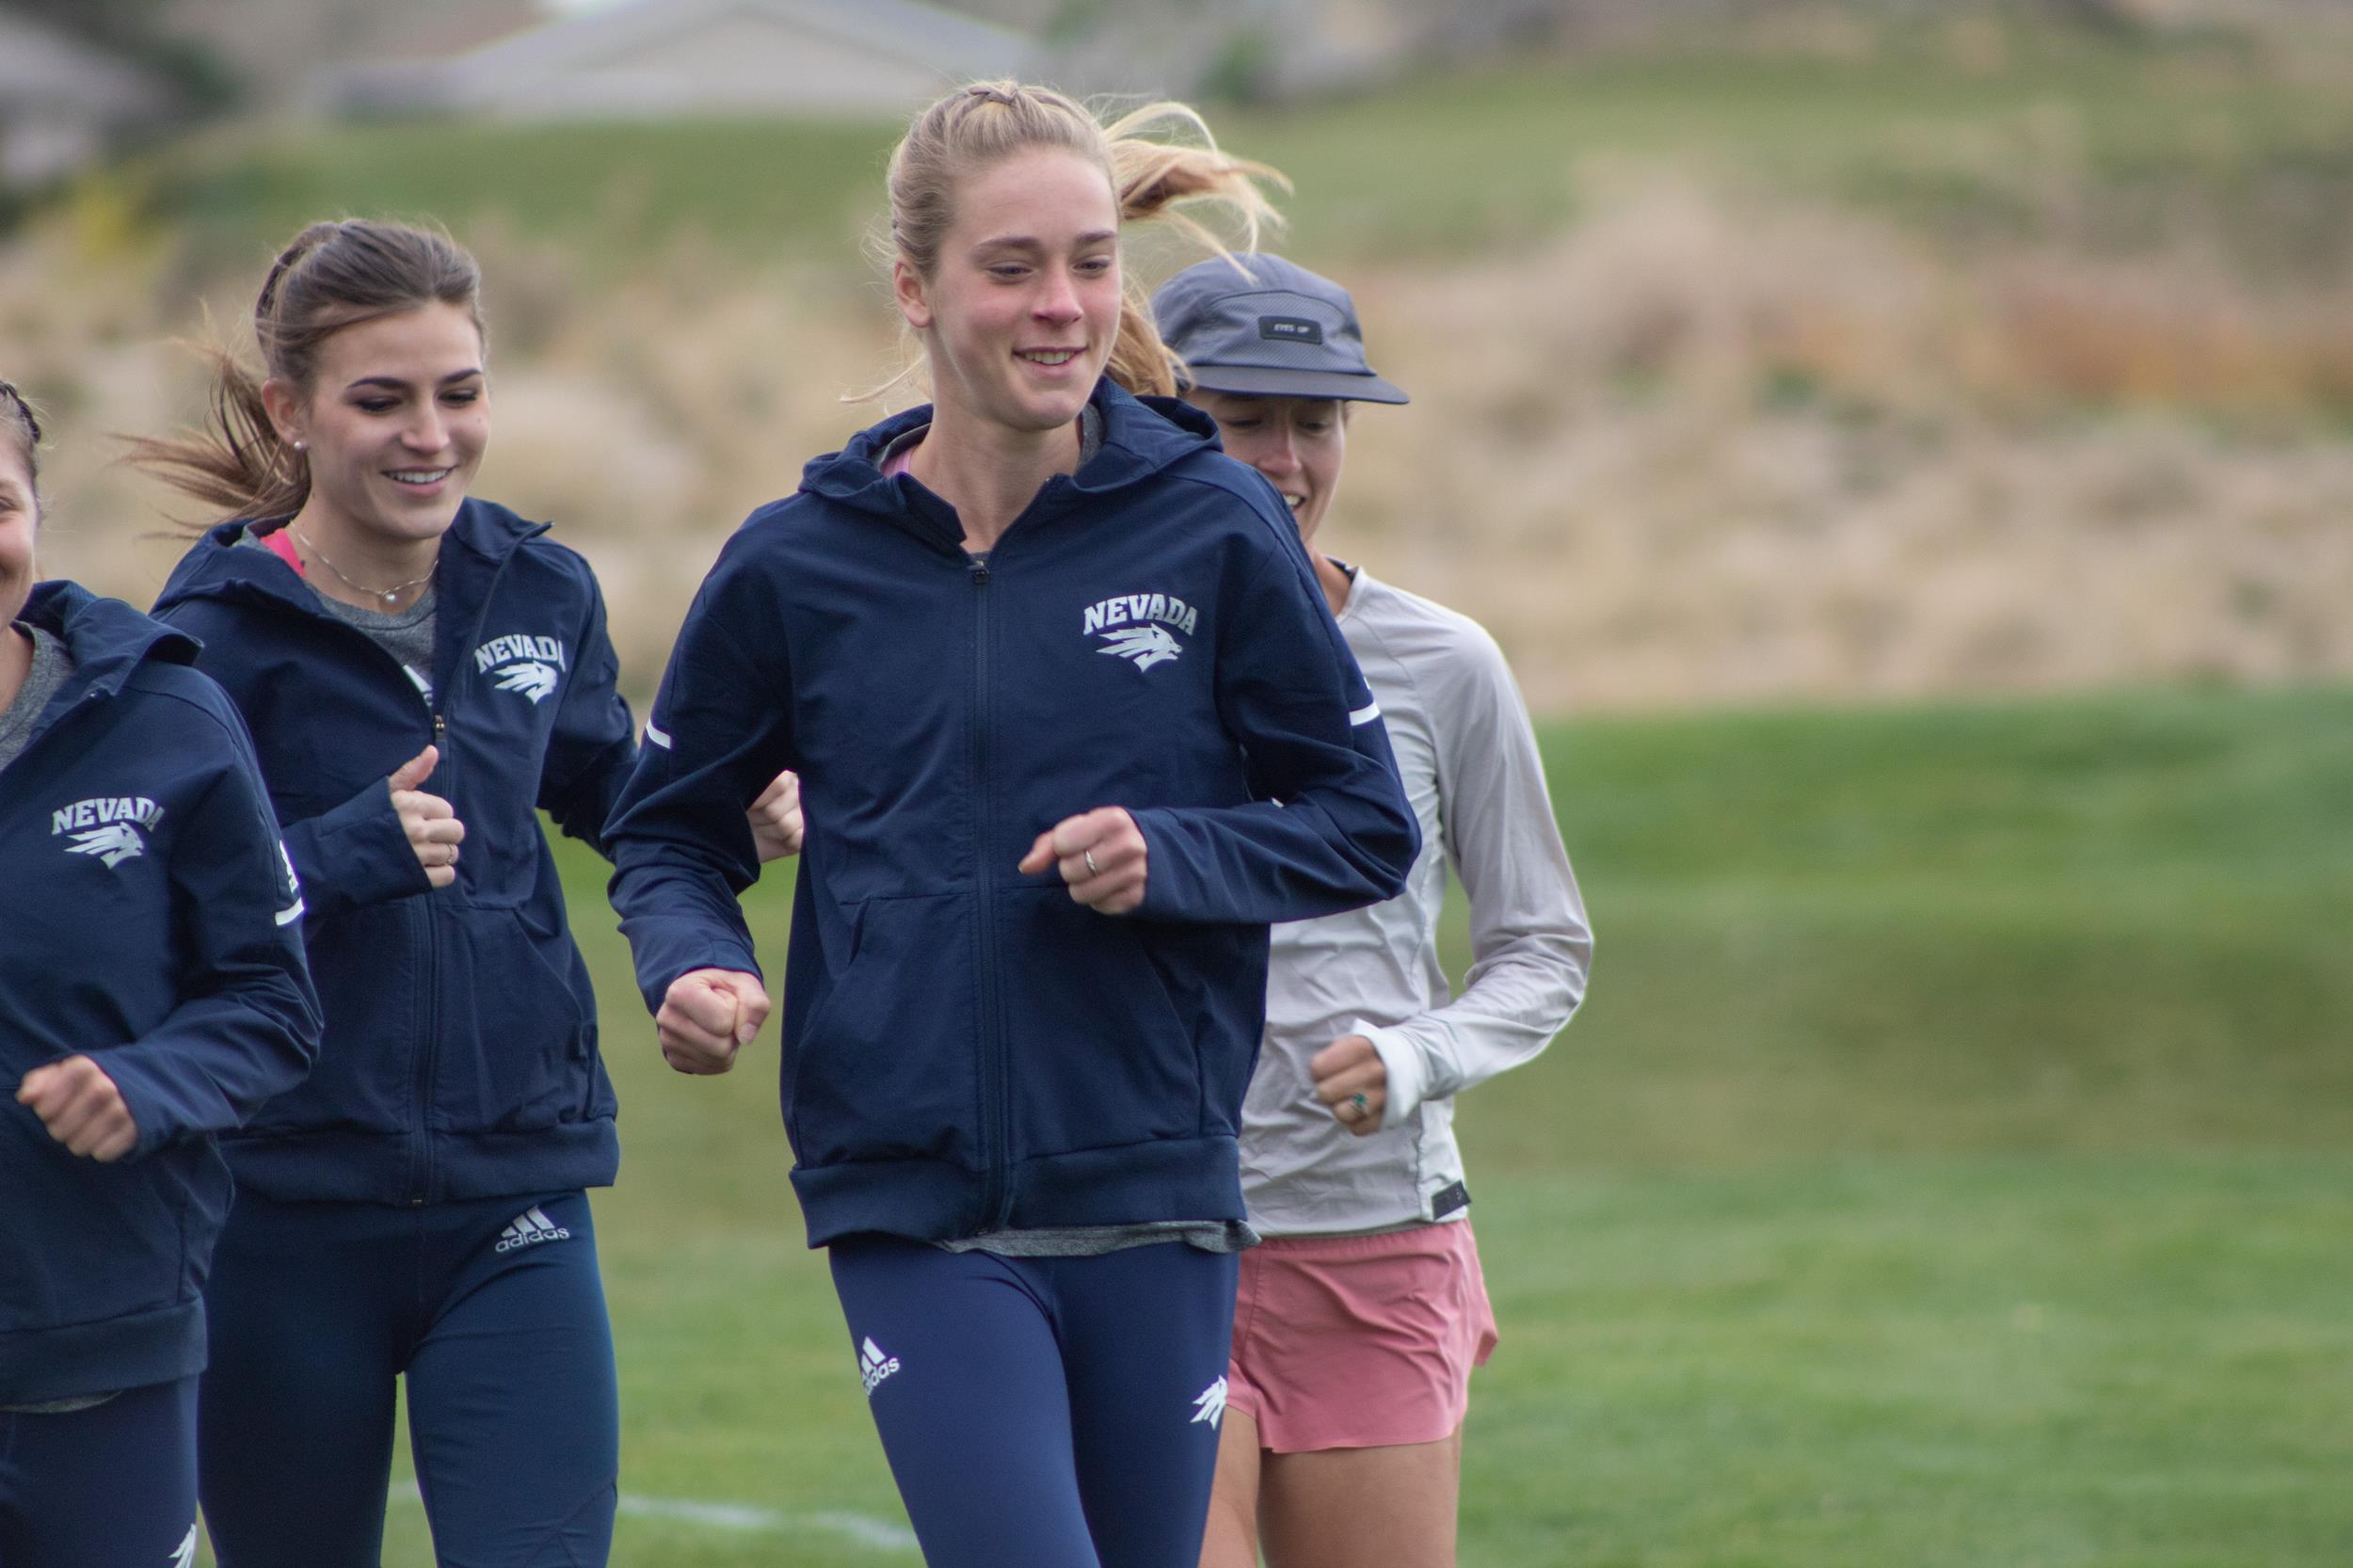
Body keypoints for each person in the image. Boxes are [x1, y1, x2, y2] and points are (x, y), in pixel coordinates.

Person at [603, 81, 1419, 1568]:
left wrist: (1176, 856)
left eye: (1093, 263)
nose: (1063, 305)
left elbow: (1365, 824)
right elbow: (670, 829)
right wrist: (690, 958)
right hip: (913, 1203)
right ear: (915, 288)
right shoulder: (798, 564)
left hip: (1158, 1186)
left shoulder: (1213, 524)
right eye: (1014, 267)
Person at [133, 219, 800, 1568]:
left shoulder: (538, 588)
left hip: (517, 1190)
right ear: (293, 410)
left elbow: (613, 793)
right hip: (280, 1214)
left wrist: (716, 831)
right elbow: (152, 917)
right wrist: (340, 853)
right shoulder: (206, 642)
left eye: (460, 392)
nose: (430, 434)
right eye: (383, 399)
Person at [1152, 254, 1593, 1568]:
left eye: (1318, 422)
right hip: (1151, 1230)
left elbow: (1543, 947)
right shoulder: (1100, 652)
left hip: (1371, 1236)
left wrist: (1417, 1056)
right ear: (1163, 418)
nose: (1286, 460)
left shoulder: (1443, 663)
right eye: (1243, 419)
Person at [0, 378, 320, 1568]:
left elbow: (272, 1002)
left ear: (38, 514)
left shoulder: (167, 716)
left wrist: (148, 1082)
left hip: (104, 1350)